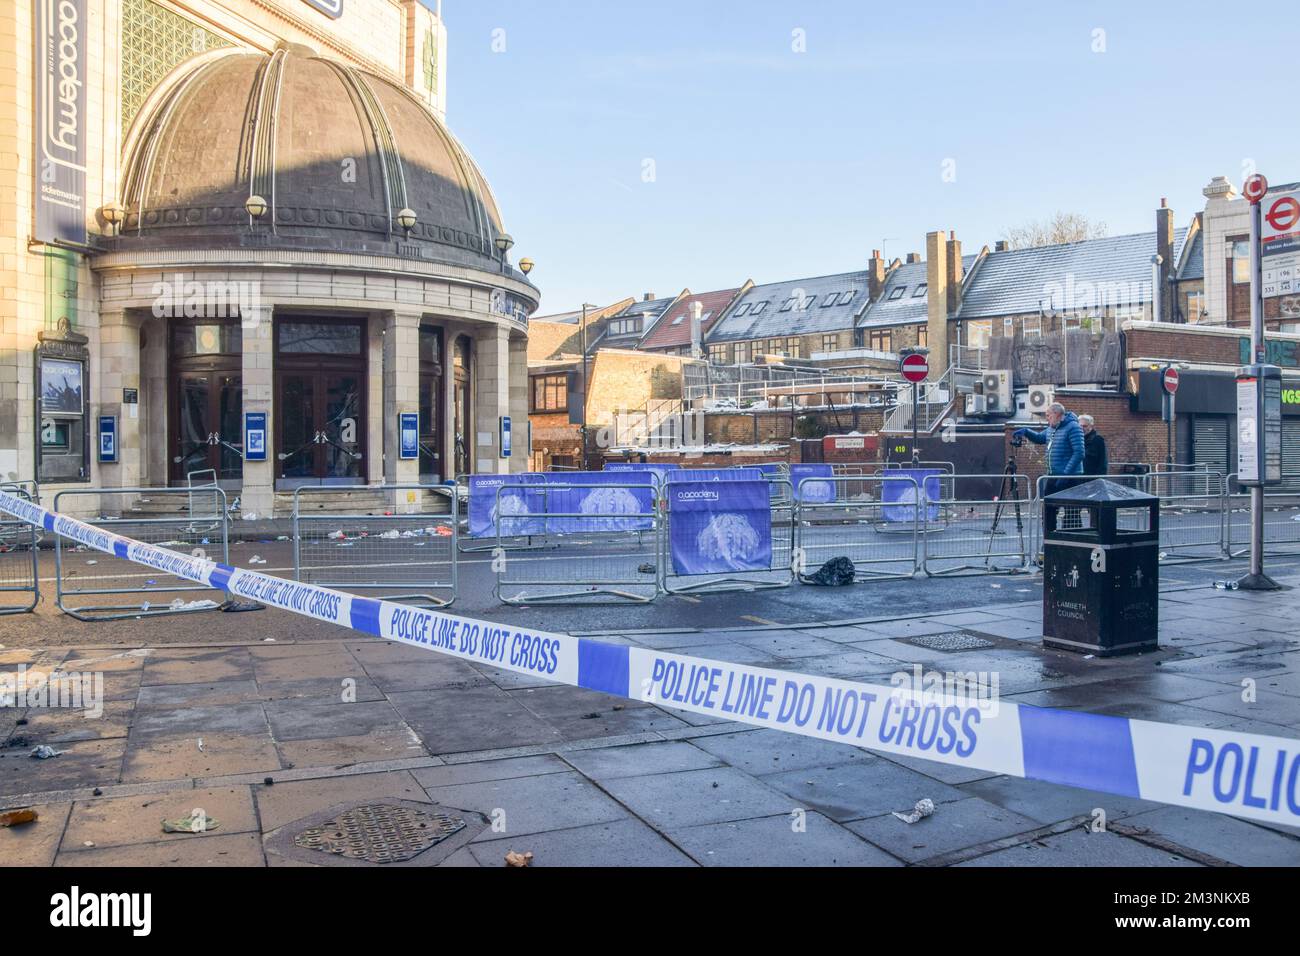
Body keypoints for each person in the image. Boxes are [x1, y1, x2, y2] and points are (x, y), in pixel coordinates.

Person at [1014, 402, 1083, 496]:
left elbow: (1079, 453)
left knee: (1071, 509)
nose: (1047, 418)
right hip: (1054, 475)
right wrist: (1026, 431)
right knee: (1048, 508)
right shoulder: (1051, 428)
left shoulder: (1073, 427)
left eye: (1048, 415)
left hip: (1070, 477)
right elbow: (1039, 438)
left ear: (1057, 414)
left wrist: (1065, 475)